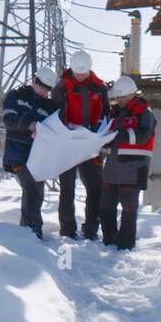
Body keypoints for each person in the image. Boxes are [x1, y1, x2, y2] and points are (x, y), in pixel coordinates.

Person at [50, 50, 108, 240]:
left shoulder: (99, 88)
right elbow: (54, 113)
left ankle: (90, 229)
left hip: (90, 142)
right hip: (67, 142)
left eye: (83, 73)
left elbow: (105, 114)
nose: (80, 76)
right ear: (72, 69)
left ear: (90, 70)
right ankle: (67, 230)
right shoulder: (62, 87)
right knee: (67, 188)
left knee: (95, 187)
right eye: (77, 73)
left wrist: (98, 134)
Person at [1, 67, 61, 239]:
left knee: (38, 193)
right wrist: (29, 125)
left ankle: (26, 232)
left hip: (38, 155)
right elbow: (9, 119)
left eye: (47, 89)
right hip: (17, 153)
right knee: (31, 189)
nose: (43, 91)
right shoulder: (16, 96)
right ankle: (32, 232)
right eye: (41, 86)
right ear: (34, 81)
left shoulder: (49, 106)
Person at [100, 75, 156, 250]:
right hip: (112, 168)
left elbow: (143, 136)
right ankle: (109, 240)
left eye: (121, 97)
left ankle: (125, 245)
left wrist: (116, 136)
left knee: (129, 210)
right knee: (106, 206)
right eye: (116, 98)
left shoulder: (144, 113)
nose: (118, 101)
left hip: (134, 168)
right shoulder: (116, 114)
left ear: (132, 94)